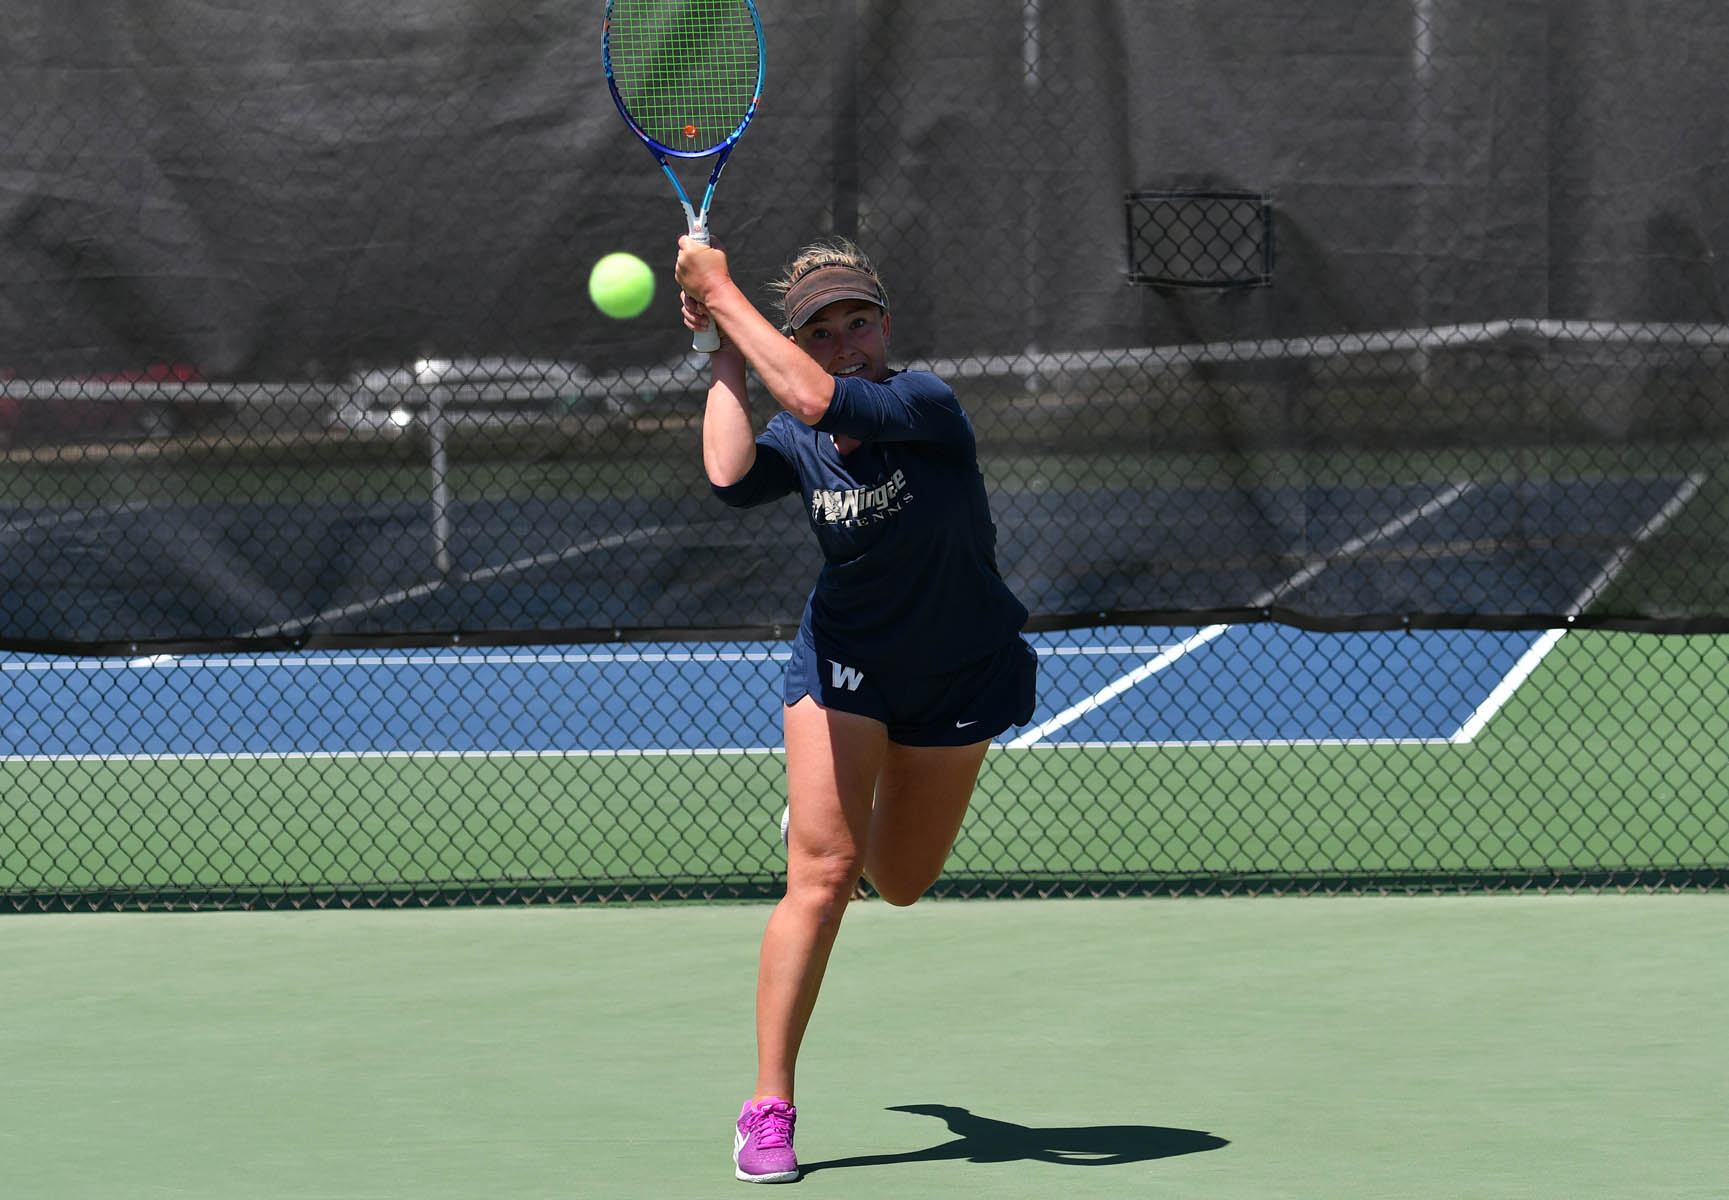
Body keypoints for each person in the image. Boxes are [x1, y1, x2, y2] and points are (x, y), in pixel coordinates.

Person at [674, 234, 1038, 1185]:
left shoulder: (921, 403)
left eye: (858, 323)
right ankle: (768, 1107)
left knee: (902, 882)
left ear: (885, 325)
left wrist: (721, 289)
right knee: (825, 877)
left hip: (959, 670)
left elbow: (811, 394)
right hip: (845, 664)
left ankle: (825, 813)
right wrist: (720, 343)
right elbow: (726, 476)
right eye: (821, 331)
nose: (845, 343)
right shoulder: (802, 434)